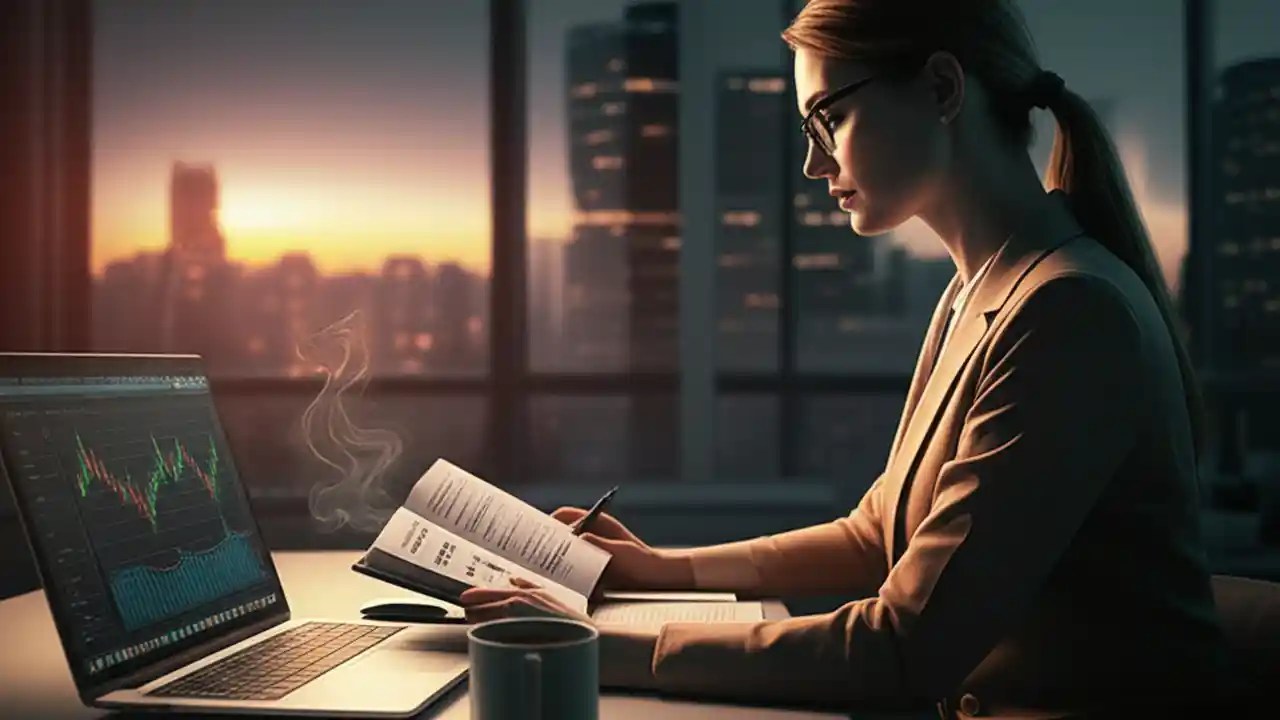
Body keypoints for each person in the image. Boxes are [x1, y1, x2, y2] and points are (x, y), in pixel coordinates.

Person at [459, 0, 1226, 716]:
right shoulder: (979, 293)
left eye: (830, 117)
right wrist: (664, 568)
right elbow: (877, 532)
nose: (813, 166)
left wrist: (586, 643)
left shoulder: (1068, 313)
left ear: (940, 87)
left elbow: (902, 651)